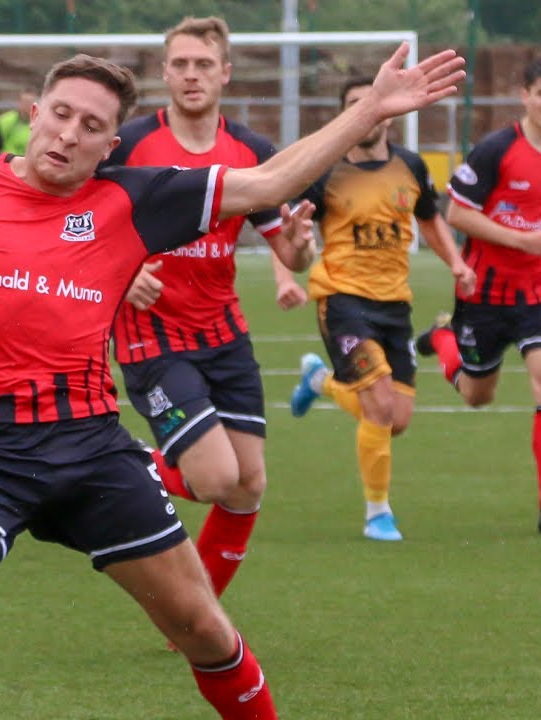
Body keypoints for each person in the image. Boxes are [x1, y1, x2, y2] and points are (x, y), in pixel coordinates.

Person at [0, 44, 464, 720]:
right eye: (59, 114)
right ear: (34, 113)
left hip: (91, 450)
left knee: (203, 629)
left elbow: (271, 181)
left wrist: (368, 110)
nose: (68, 134)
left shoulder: (133, 199)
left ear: (110, 144)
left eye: (91, 125)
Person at [106, 16, 315, 605]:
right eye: (181, 64)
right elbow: (81, 225)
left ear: (225, 73)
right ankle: (112, 463)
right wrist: (123, 276)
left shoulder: (251, 151)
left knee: (247, 486)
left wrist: (299, 246)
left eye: (203, 64)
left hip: (224, 333)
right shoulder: (129, 147)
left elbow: (290, 251)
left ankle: (198, 619)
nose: (191, 75)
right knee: (216, 477)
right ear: (163, 72)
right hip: (153, 337)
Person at [284, 75, 477, 541]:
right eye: (355, 104)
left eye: (372, 103)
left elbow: (429, 218)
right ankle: (377, 514)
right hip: (343, 300)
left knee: (397, 420)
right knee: (381, 405)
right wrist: (290, 249)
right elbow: (289, 229)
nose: (367, 111)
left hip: (395, 304)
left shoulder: (410, 166)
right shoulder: (324, 170)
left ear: (388, 112)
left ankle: (319, 382)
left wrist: (455, 262)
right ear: (346, 116)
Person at [416, 53, 541, 534]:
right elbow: (458, 215)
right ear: (525, 96)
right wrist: (519, 239)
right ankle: (442, 340)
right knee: (476, 394)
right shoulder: (496, 150)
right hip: (484, 296)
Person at [0, 85, 38, 155]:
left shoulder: (38, 126)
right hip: (6, 162)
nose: (27, 106)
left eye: (30, 103)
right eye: (25, 102)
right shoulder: (5, 120)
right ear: (19, 102)